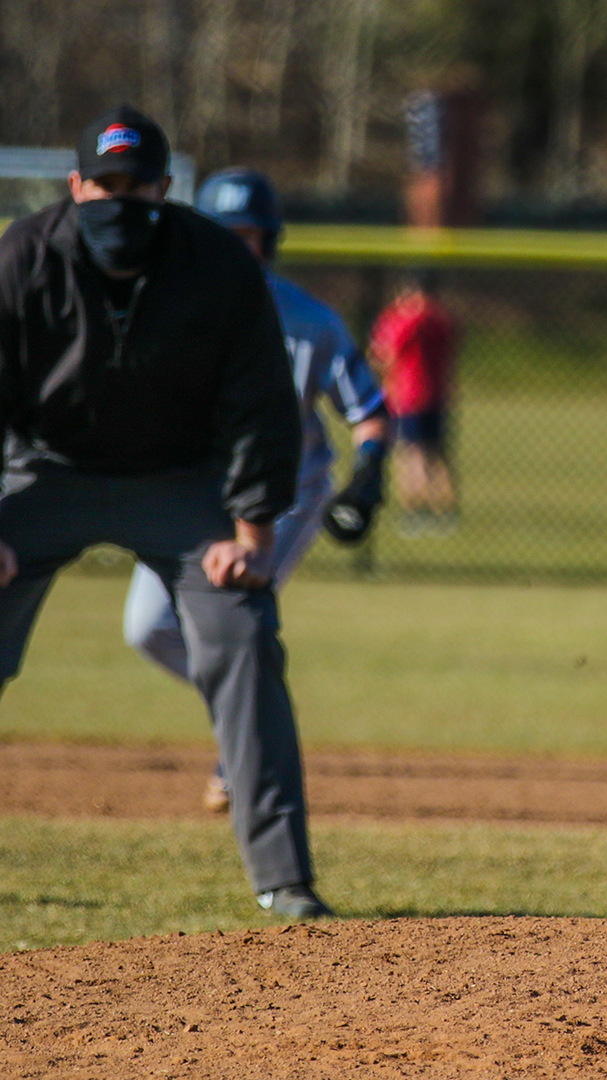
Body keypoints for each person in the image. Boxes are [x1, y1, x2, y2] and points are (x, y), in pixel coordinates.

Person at [0, 106, 332, 919]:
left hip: (180, 483)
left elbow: (261, 402)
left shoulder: (214, 262)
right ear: (75, 186)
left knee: (243, 631)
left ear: (163, 188)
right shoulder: (23, 256)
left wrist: (253, 532)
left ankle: (282, 880)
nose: (120, 200)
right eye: (103, 185)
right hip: (44, 473)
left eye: (137, 186)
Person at [121, 167, 390, 816]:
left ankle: (243, 743)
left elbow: (370, 410)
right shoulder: (165, 307)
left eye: (250, 235)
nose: (238, 247)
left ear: (269, 241)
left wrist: (368, 477)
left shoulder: (309, 321)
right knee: (147, 628)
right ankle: (250, 715)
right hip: (190, 493)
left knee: (237, 625)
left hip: (284, 496)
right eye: (224, 234)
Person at [369, 269, 458, 535]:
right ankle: (448, 511)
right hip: (438, 393)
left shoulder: (403, 318)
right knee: (439, 454)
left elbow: (384, 354)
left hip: (407, 395)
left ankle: (416, 512)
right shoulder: (441, 317)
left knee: (411, 455)